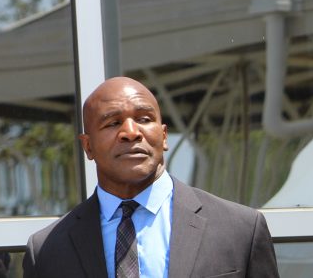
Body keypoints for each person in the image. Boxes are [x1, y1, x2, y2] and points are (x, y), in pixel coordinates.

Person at [23, 77, 279, 278]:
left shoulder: (240, 230)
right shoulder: (47, 250)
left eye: (144, 119)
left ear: (164, 136)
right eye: (112, 123)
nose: (131, 132)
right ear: (88, 146)